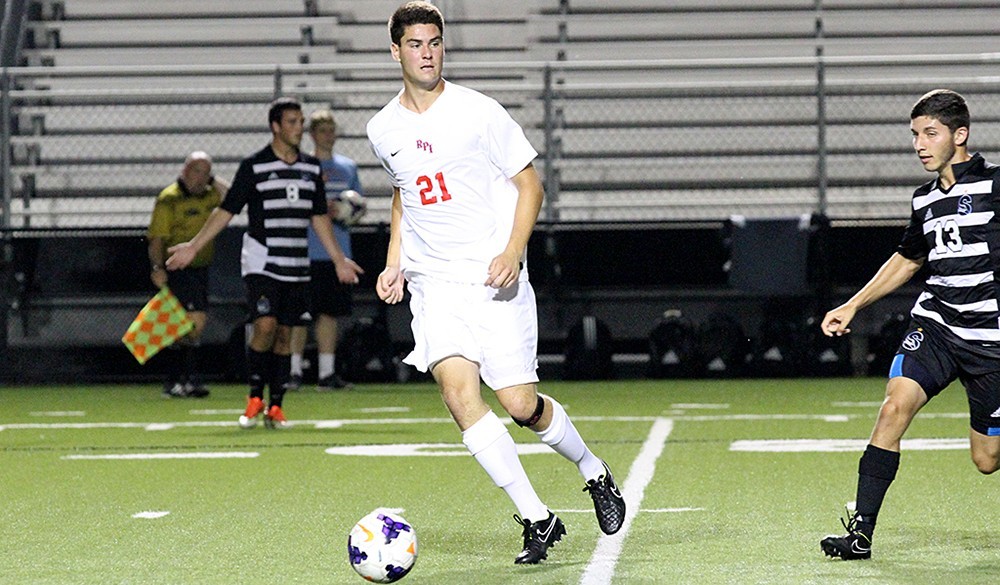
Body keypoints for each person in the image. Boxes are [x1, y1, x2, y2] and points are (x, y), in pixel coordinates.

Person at [367, 1, 625, 565]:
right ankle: (538, 518)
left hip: (494, 277)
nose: (427, 52)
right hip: (434, 283)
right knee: (459, 394)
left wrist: (512, 250)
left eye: (434, 42)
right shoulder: (381, 127)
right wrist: (394, 261)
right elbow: (403, 195)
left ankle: (592, 469)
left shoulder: (479, 111)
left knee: (519, 404)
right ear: (396, 51)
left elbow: (530, 186)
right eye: (415, 43)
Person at [819, 89, 1000, 560]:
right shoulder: (923, 199)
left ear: (960, 135)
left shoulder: (995, 187)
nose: (920, 143)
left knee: (986, 460)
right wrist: (853, 305)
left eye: (930, 133)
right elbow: (907, 259)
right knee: (893, 406)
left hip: (991, 342)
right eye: (915, 134)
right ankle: (861, 534)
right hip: (937, 328)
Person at [166, 97, 363, 429]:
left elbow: (318, 217)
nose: (299, 128)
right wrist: (195, 244)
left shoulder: (311, 168)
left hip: (296, 263)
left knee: (286, 334)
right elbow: (226, 210)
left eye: (300, 122)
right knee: (265, 326)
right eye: (292, 122)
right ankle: (255, 397)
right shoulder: (254, 166)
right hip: (262, 261)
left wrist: (338, 259)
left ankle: (276, 406)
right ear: (275, 126)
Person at [288, 109, 365, 391]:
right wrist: (320, 210)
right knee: (298, 314)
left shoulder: (348, 167)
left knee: (329, 314)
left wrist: (344, 211)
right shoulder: (302, 165)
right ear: (312, 134)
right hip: (304, 249)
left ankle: (326, 373)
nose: (328, 135)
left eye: (332, 130)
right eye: (323, 130)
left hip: (338, 252)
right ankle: (293, 371)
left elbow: (358, 206)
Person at [147, 151, 229, 398]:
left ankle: (182, 381)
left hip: (200, 267)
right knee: (189, 323)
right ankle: (181, 380)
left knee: (189, 326)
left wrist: (212, 180)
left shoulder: (209, 194)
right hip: (177, 267)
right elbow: (157, 238)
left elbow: (234, 197)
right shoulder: (169, 198)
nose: (200, 178)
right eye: (196, 171)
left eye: (206, 173)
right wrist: (157, 268)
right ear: (184, 171)